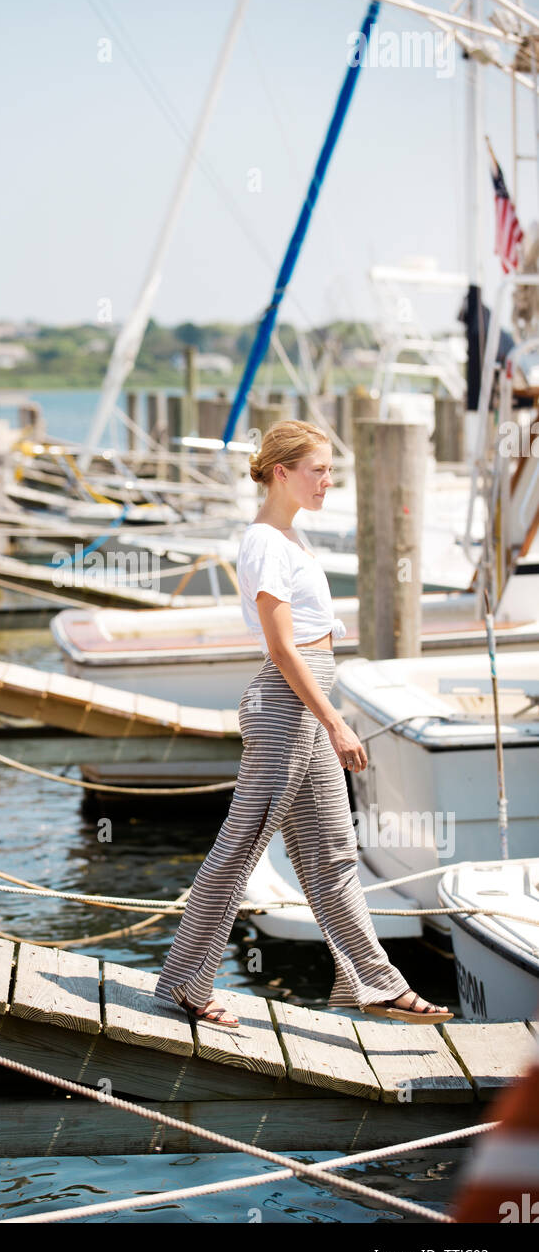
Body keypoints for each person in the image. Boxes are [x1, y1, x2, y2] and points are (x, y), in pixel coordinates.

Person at [153, 419, 453, 1030]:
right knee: (243, 843)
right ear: (282, 472)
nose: (328, 481)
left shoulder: (289, 539)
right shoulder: (265, 540)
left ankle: (372, 984)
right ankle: (185, 981)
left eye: (331, 470)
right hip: (286, 704)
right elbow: (283, 648)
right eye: (318, 469)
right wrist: (336, 722)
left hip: (303, 701)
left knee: (333, 853)